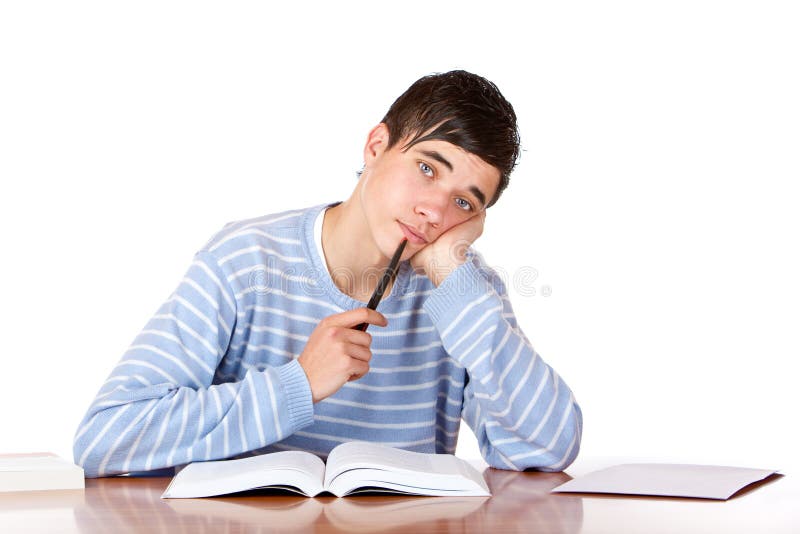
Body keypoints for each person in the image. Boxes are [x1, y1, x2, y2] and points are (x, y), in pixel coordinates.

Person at [73, 70, 583, 478]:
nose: (434, 211)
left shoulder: (462, 292)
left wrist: (453, 271)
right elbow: (107, 436)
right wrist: (299, 384)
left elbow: (547, 447)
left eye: (463, 201)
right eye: (427, 168)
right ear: (376, 145)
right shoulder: (244, 259)